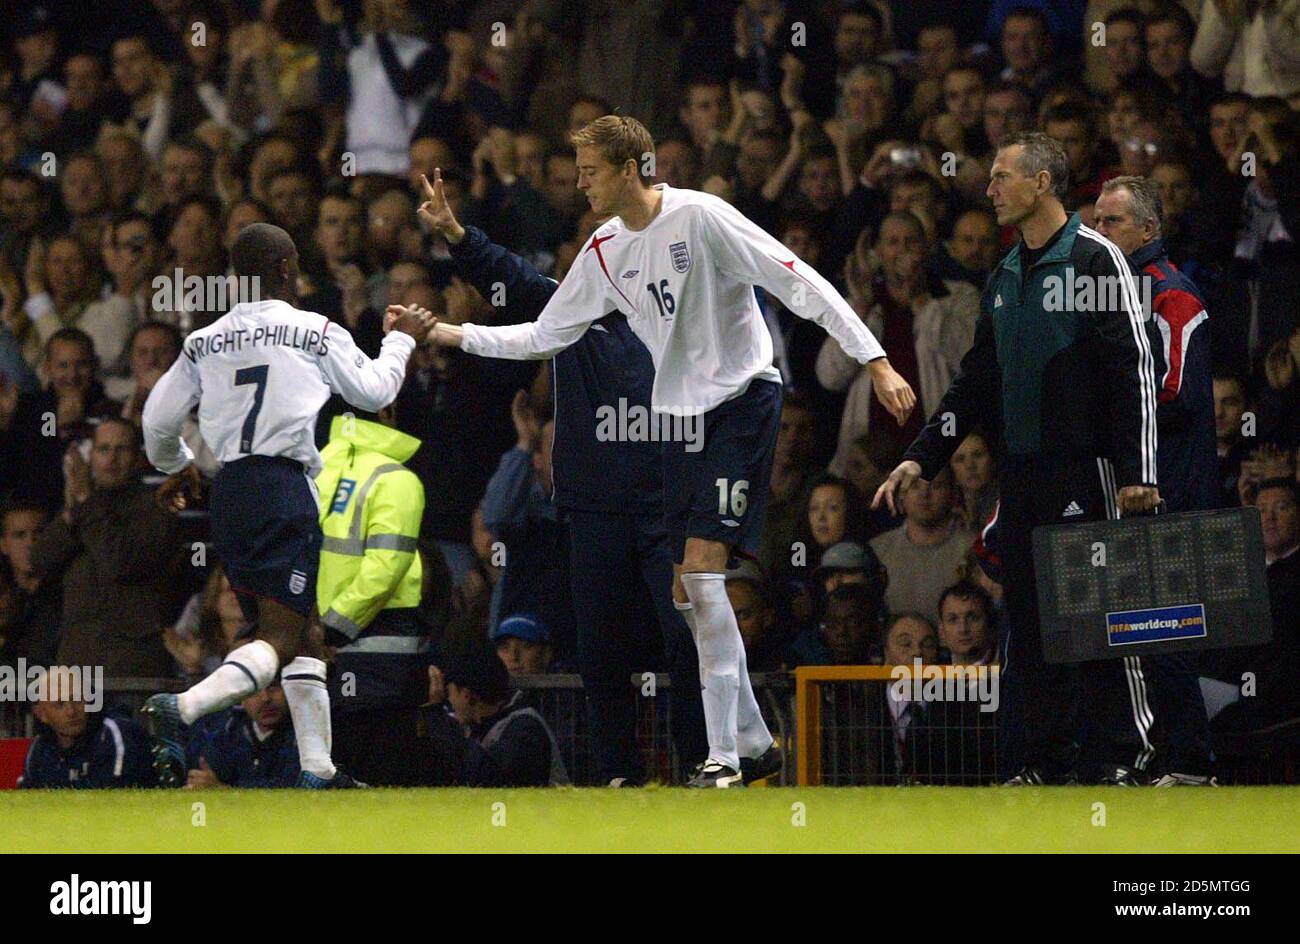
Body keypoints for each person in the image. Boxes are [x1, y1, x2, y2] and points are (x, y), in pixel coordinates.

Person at [414, 114, 917, 787]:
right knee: (689, 593)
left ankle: (723, 759)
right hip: (682, 424)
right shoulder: (602, 249)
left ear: (630, 169)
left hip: (741, 403)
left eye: (591, 171)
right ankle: (757, 739)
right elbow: (543, 335)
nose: (582, 183)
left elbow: (798, 280)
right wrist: (451, 332)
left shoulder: (702, 217)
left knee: (704, 577)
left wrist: (876, 360)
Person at [876, 131, 1163, 786]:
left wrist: (1138, 474)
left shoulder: (1095, 259)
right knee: (1029, 629)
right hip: (1023, 474)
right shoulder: (1003, 274)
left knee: (1095, 619)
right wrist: (922, 457)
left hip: (1085, 470)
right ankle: (1043, 762)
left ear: (1041, 185)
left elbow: (1134, 370)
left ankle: (1123, 757)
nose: (990, 187)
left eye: (1003, 176)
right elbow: (976, 381)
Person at [140, 222, 432, 789]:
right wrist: (400, 339)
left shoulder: (204, 339)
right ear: (285, 271)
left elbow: (155, 421)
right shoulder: (314, 330)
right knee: (277, 637)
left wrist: (177, 464)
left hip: (229, 496)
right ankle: (184, 708)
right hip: (283, 490)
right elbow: (375, 393)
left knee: (305, 636)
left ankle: (318, 769)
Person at [1094, 174, 1217, 783]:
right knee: (1130, 636)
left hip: (1171, 493)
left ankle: (1191, 765)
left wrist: (1099, 411)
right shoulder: (1111, 295)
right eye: (1093, 221)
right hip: (1130, 494)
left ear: (1148, 230)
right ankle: (1148, 760)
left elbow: (1177, 395)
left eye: (1111, 222)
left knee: (1162, 636)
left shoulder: (1173, 296)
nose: (1097, 231)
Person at [315, 407, 431, 786]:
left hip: (318, 652)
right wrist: (334, 628)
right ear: (386, 411)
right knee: (385, 789)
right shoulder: (395, 479)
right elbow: (386, 567)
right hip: (383, 657)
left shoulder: (314, 470)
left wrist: (312, 630)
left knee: (329, 782)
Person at [30, 418, 184, 676]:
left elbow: (119, 562)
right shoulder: (79, 506)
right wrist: (70, 515)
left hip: (132, 664)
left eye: (121, 449)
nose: (111, 459)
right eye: (103, 449)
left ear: (137, 458)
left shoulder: (157, 510)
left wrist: (84, 503)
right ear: (91, 456)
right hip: (77, 661)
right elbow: (39, 562)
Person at [425, 639, 570, 787]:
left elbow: (490, 781)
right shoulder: (476, 727)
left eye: (449, 691)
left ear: (467, 695)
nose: (448, 699)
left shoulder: (525, 729)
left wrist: (435, 714)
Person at [20, 690, 153, 789]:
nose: (71, 711)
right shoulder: (41, 746)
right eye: (59, 704)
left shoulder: (115, 733)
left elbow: (113, 800)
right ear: (41, 713)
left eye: (77, 700)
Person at [185, 683, 300, 789]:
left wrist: (223, 790)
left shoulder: (304, 735)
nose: (265, 698)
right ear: (240, 699)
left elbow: (293, 788)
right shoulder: (226, 731)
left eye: (273, 687)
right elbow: (204, 781)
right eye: (254, 690)